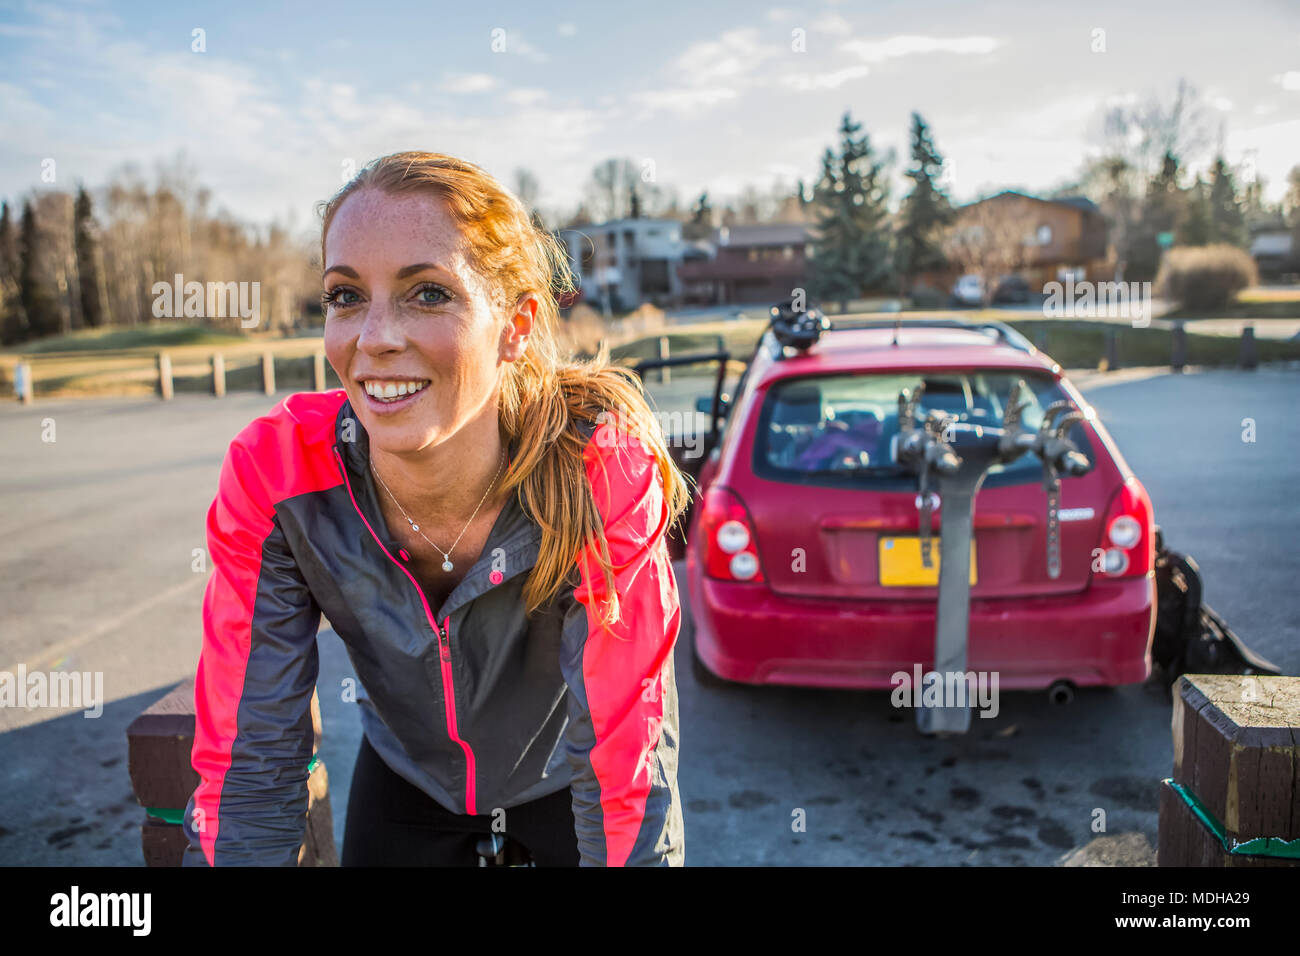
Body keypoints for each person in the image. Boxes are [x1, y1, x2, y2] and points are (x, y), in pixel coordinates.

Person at [181, 151, 688, 866]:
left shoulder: (600, 468)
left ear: (516, 325)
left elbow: (629, 762)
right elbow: (250, 759)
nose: (375, 337)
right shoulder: (276, 472)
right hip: (408, 785)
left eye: (427, 294)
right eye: (345, 296)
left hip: (564, 788)